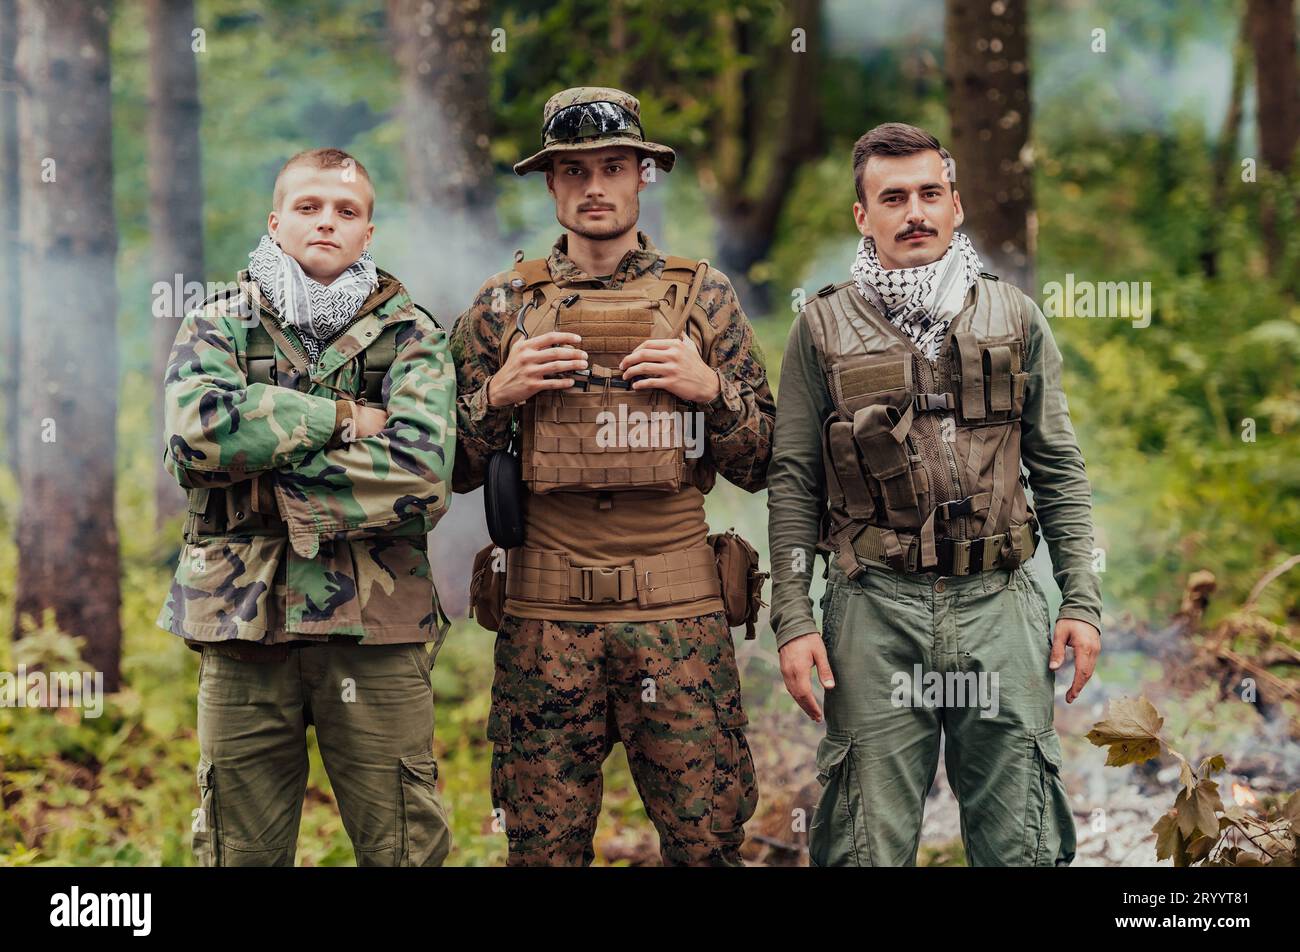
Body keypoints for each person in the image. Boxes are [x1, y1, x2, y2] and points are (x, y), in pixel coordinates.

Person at [450, 87, 775, 866]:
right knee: (542, 851)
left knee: (707, 847)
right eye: (574, 170)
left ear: (642, 177)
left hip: (680, 618)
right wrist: (498, 394)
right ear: (551, 184)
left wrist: (711, 390)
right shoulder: (501, 307)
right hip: (544, 621)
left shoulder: (703, 297)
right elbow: (445, 470)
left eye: (614, 166)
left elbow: (766, 460)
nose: (595, 185)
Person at [767, 123, 1102, 866]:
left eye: (929, 193)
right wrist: (792, 616)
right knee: (863, 845)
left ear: (955, 204)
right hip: (874, 610)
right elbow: (792, 482)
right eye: (892, 198)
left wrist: (1080, 597)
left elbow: (1059, 467)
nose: (913, 212)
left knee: (1023, 844)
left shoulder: (1013, 316)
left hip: (1000, 607)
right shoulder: (819, 329)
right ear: (863, 215)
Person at [158, 147, 456, 866]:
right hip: (241, 621)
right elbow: (197, 438)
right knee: (238, 848)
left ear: (368, 233)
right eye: (309, 207)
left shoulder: (413, 334)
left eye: (347, 212)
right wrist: (344, 419)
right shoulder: (216, 323)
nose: (327, 222)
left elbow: (420, 472)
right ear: (276, 220)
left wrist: (262, 475)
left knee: (404, 846)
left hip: (376, 629)